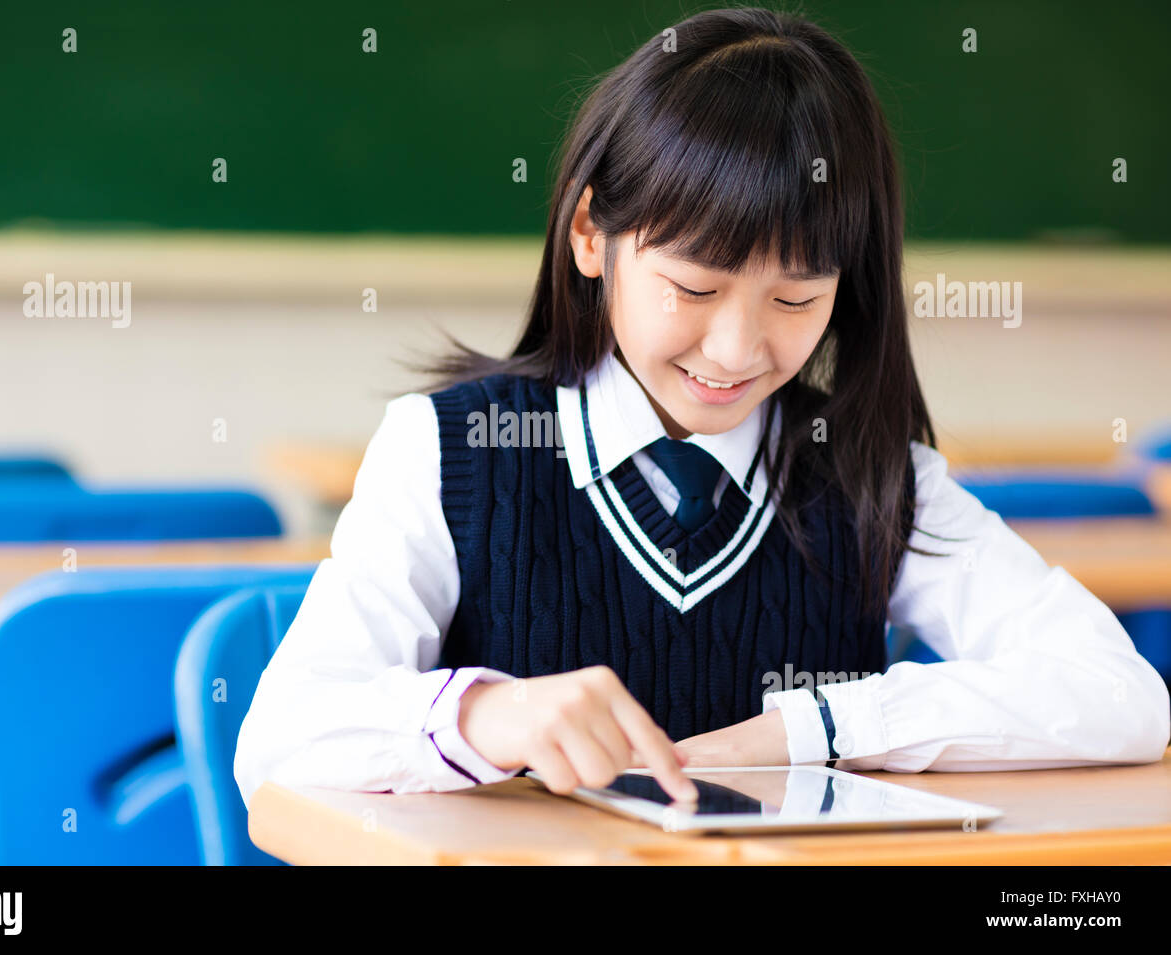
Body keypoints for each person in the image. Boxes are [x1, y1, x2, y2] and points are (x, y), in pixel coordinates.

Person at [235, 7, 1169, 805]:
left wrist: (814, 726)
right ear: (591, 236)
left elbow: (1121, 696)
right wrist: (488, 711)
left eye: (797, 300)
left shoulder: (868, 474)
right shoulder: (454, 453)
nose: (737, 349)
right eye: (694, 286)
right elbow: (277, 740)